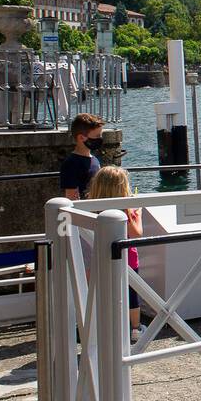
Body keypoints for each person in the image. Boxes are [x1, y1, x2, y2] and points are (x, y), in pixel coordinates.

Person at [88, 166, 145, 344]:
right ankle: (134, 328)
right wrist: (138, 213)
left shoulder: (90, 207)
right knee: (131, 296)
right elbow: (137, 234)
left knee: (103, 294)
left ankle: (99, 327)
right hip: (128, 261)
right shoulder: (125, 210)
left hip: (99, 259)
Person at [61, 113, 104, 199]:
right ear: (81, 137)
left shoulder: (95, 159)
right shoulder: (71, 163)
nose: (100, 138)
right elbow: (71, 196)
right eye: (97, 136)